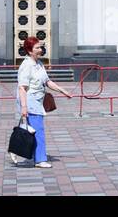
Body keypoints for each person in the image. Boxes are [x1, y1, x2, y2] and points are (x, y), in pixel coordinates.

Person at [11, 36, 73, 168]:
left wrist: (62, 90)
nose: (41, 49)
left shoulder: (39, 64)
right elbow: (22, 87)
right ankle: (39, 159)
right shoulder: (26, 65)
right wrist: (24, 107)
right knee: (38, 130)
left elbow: (47, 81)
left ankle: (24, 152)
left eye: (40, 47)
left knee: (30, 131)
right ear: (29, 51)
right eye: (37, 47)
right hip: (30, 101)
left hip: (37, 101)